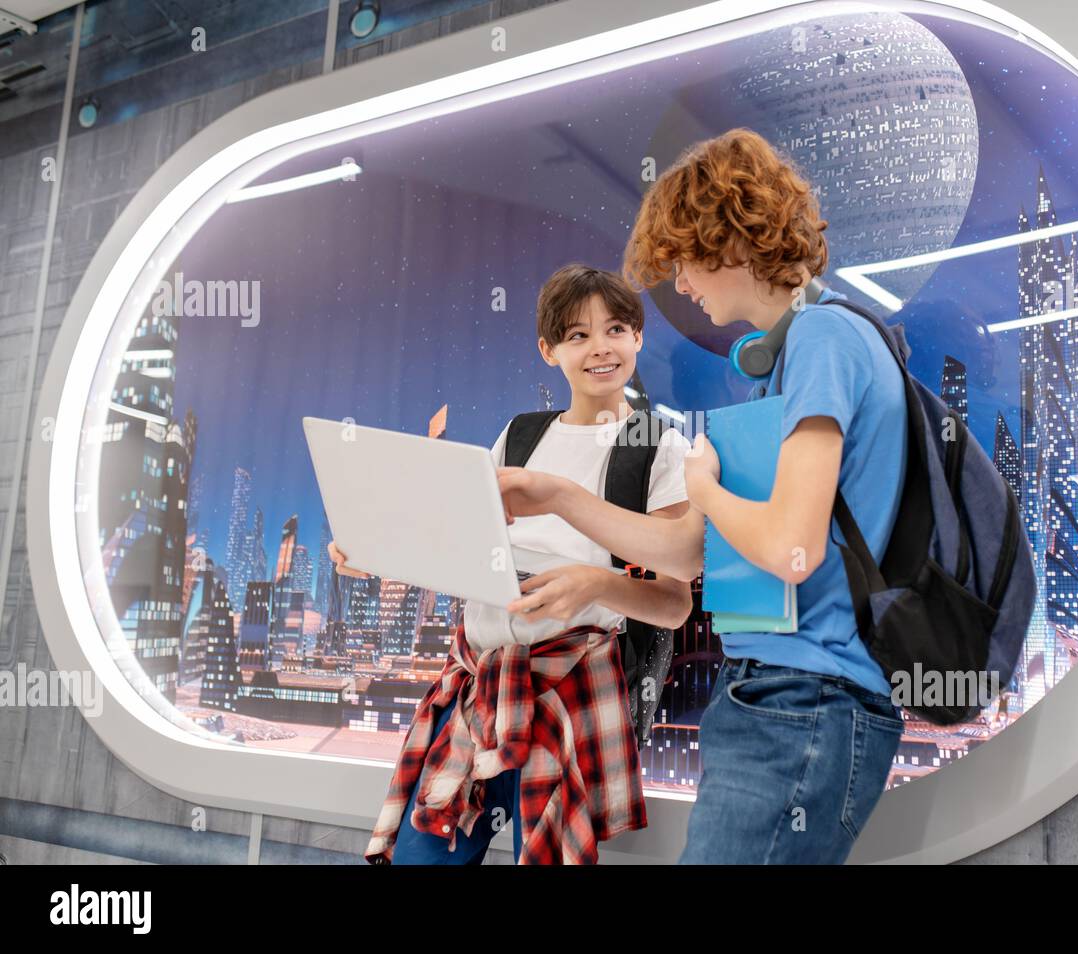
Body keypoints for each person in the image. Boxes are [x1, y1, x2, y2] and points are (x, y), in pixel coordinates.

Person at [507, 128, 908, 863]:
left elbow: (792, 548)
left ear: (728, 239)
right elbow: (689, 553)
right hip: (772, 690)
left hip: (805, 696)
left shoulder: (822, 342)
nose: (679, 285)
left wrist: (703, 489)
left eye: (683, 262)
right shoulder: (784, 362)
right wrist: (558, 494)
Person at [339, 263, 699, 864]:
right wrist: (374, 550)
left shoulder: (658, 445)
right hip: (479, 682)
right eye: (577, 335)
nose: (600, 348)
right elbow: (463, 542)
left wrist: (597, 584)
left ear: (638, 337)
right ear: (548, 349)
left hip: (570, 687)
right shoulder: (520, 434)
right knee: (423, 856)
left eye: (615, 329)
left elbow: (675, 598)